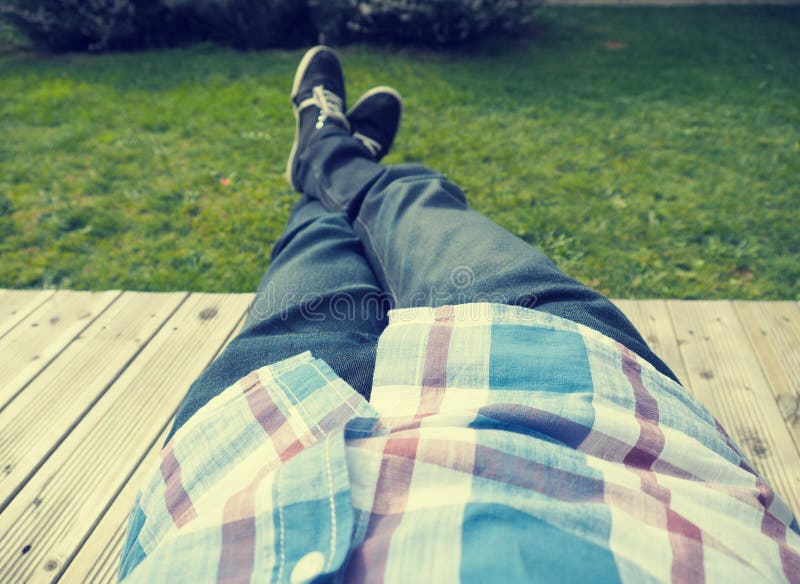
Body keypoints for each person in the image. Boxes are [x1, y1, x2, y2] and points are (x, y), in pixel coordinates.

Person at [118, 47, 800, 583]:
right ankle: (342, 159)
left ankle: (326, 159)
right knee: (420, 198)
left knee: (318, 241)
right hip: (577, 403)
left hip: (253, 458)